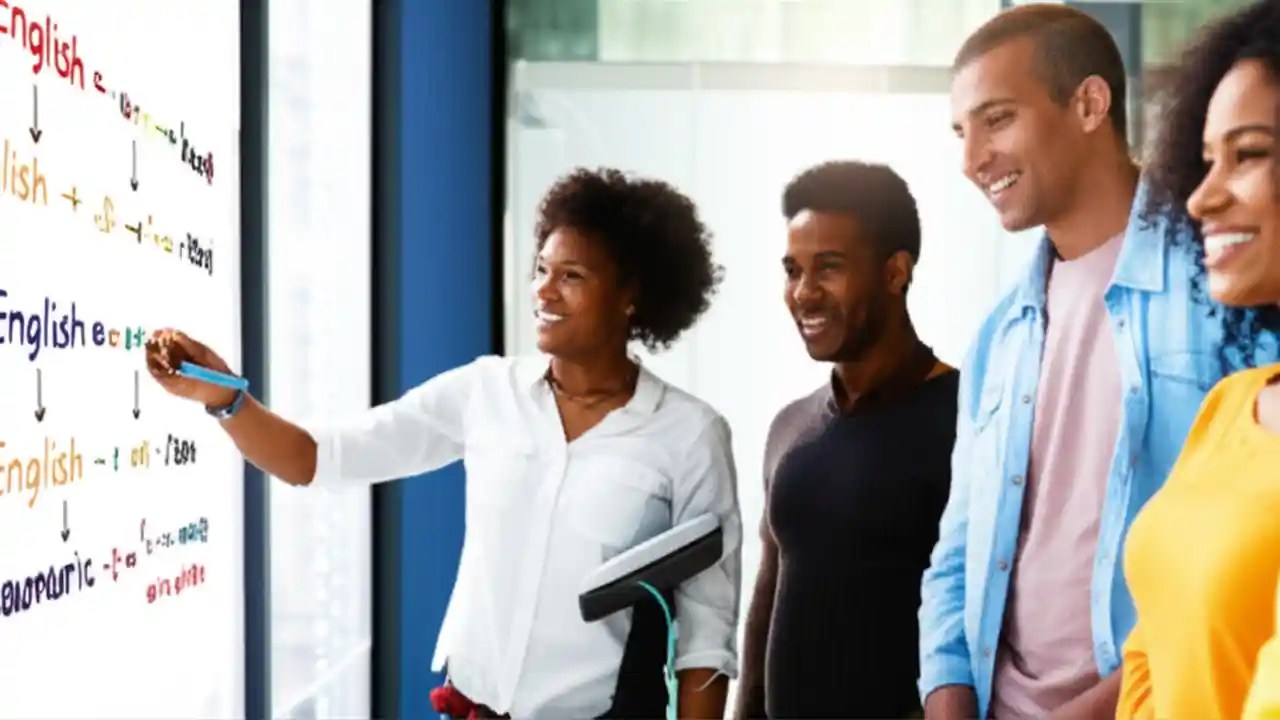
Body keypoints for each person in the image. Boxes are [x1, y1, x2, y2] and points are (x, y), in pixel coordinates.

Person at [144, 167, 744, 720]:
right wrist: (224, 398)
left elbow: (706, 630)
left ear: (630, 295)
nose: (544, 291)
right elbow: (314, 459)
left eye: (572, 276)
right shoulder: (485, 393)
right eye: (541, 269)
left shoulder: (688, 434)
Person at [920, 4, 1248, 718]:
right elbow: (958, 557)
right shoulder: (997, 337)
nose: (972, 159)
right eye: (961, 132)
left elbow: (1253, 555)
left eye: (997, 119)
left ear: (1090, 103)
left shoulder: (1224, 290)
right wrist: (948, 699)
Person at [733, 161, 958, 719]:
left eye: (828, 268)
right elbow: (765, 608)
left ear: (895, 271)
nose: (804, 293)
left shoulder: (970, 420)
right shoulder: (789, 427)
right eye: (792, 270)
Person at [1112, 2, 1280, 717]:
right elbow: (1149, 647)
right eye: (1206, 160)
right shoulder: (1230, 405)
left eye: (1249, 154)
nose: (1202, 196)